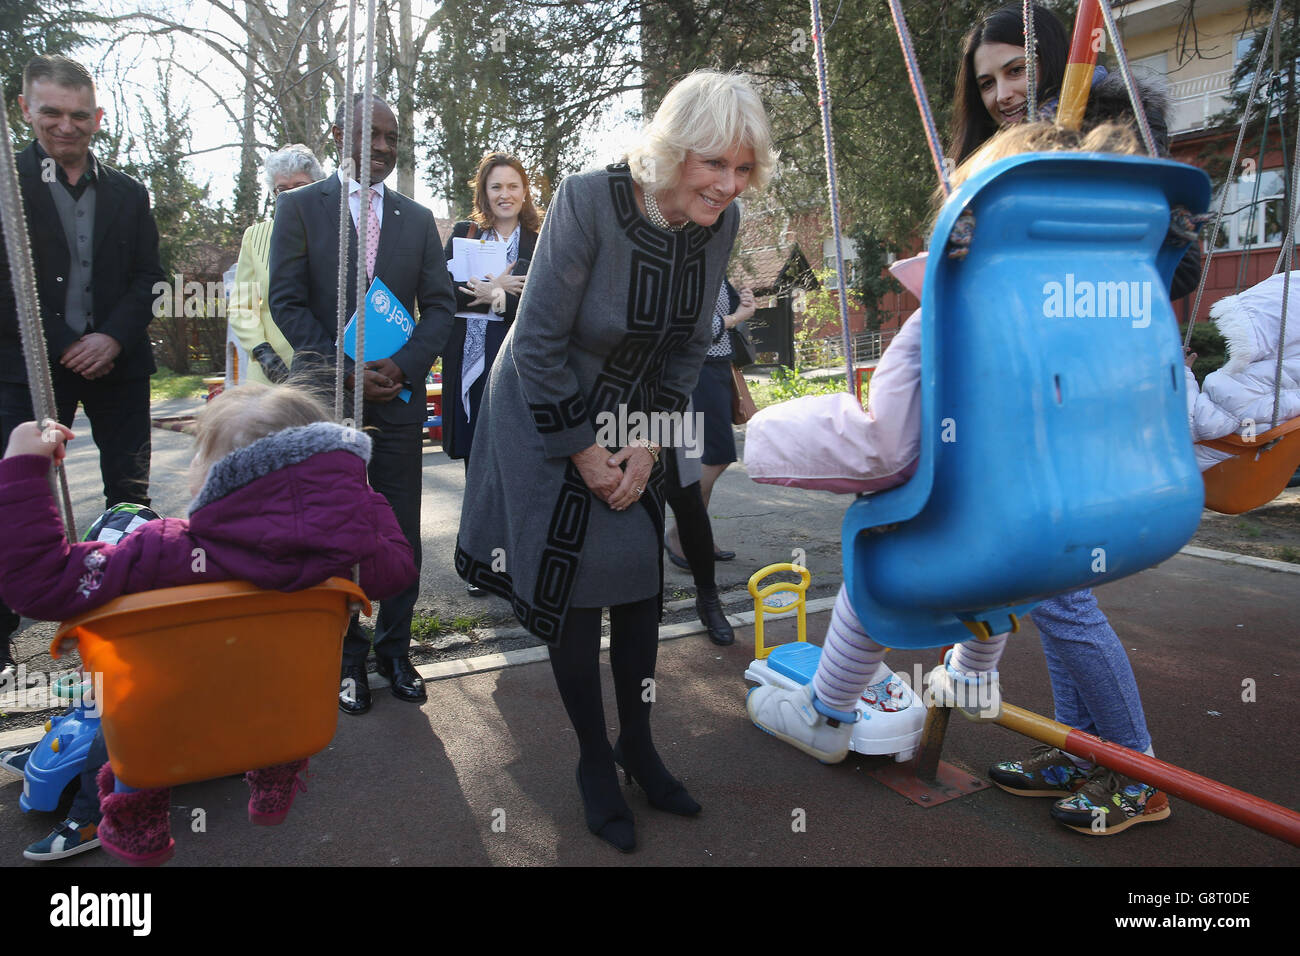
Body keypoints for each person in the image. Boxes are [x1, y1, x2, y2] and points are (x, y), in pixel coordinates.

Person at [747, 121, 1185, 837]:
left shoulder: (943, 319)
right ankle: (984, 681)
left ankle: (827, 711)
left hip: (962, 555)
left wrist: (763, 438)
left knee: (880, 529)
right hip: (1090, 521)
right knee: (1044, 589)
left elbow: (880, 448)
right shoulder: (1102, 318)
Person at [456, 70, 776, 852]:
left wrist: (647, 440)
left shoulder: (718, 224)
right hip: (542, 403)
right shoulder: (587, 198)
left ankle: (638, 740)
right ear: (672, 153)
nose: (728, 186)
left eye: (743, 170)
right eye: (713, 166)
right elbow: (535, 344)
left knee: (636, 576)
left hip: (636, 407)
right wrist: (587, 455)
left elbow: (688, 343)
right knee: (572, 583)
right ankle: (594, 760)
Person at [945, 1, 1197, 832]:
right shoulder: (1004, 173)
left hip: (1091, 399)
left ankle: (1141, 770)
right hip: (1030, 399)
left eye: (1017, 69)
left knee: (1062, 597)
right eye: (986, 83)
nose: (1003, 93)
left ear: (1055, 59)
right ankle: (1083, 747)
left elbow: (1170, 264)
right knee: (1052, 587)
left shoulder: (1111, 161)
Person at [0, 383, 417, 864]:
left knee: (132, 730)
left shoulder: (158, 550)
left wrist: (23, 471)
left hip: (171, 721)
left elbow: (36, 582)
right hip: (279, 717)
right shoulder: (340, 561)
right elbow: (400, 567)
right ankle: (275, 776)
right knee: (268, 697)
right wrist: (360, 495)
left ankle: (139, 819)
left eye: (198, 457)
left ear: (217, 479)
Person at [268, 94, 457, 716]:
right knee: (334, 528)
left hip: (398, 398)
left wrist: (404, 366)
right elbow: (287, 302)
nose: (380, 147)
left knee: (399, 528)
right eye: (367, 135)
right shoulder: (298, 209)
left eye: (391, 137)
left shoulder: (417, 217)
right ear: (336, 134)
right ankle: (345, 657)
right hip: (326, 398)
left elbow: (441, 305)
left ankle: (395, 651)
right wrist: (344, 371)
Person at [0, 55, 165, 686]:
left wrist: (111, 338)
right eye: (50, 114)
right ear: (25, 110)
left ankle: (134, 635)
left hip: (118, 365)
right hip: (28, 367)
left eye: (78, 116)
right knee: (18, 501)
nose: (65, 127)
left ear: (97, 117)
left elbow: (151, 277)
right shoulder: (8, 184)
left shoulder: (127, 191)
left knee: (131, 496)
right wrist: (70, 341)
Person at [441, 152, 542, 595]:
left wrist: (491, 296)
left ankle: (520, 557)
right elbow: (442, 299)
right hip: (467, 362)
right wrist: (498, 290)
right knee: (475, 458)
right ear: (484, 192)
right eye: (496, 187)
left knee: (518, 457)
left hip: (519, 366)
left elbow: (543, 309)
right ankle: (482, 558)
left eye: (513, 186)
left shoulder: (540, 244)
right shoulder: (462, 237)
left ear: (525, 193)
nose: (505, 194)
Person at [664, 277, 756, 568]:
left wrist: (741, 299)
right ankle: (684, 533)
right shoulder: (687, 258)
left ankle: (695, 534)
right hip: (697, 368)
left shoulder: (710, 255)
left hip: (715, 367)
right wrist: (736, 317)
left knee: (712, 455)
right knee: (712, 457)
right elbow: (691, 327)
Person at [226, 144, 324, 385]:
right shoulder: (255, 236)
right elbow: (242, 306)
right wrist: (261, 351)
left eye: (300, 187)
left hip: (327, 368)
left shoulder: (333, 232)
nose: (290, 196)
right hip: (271, 373)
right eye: (282, 190)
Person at [1185, 271, 1300, 469]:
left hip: (1206, 469)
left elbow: (1192, 426)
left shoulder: (1248, 387)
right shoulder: (1288, 382)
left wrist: (1183, 375)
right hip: (1248, 470)